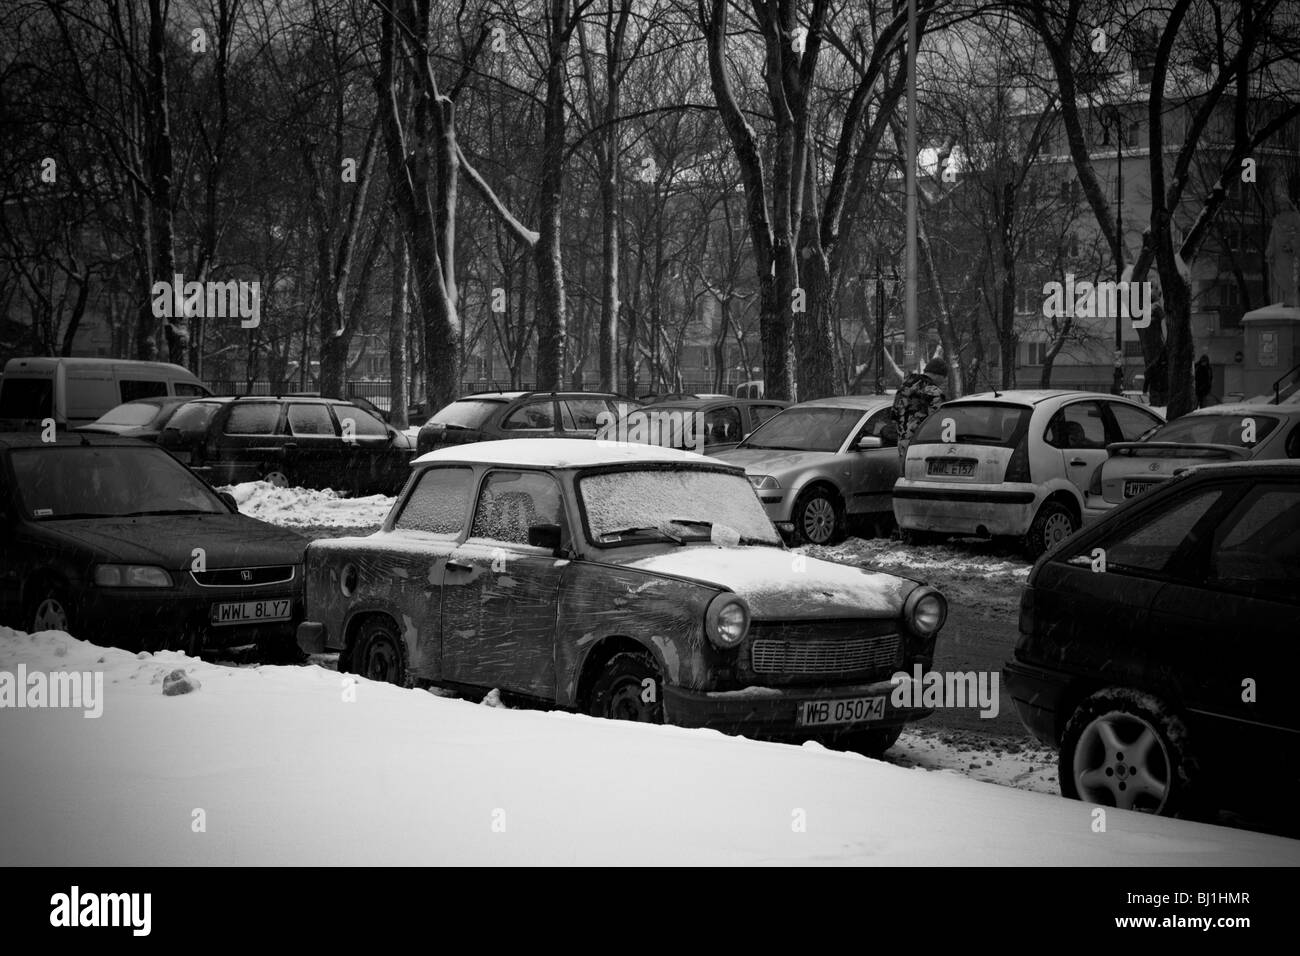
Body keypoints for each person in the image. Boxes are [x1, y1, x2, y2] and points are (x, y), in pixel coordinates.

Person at [892, 357, 948, 466]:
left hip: (902, 446)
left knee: (905, 478)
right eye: (944, 377)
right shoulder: (934, 392)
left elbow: (894, 417)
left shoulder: (903, 388)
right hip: (923, 446)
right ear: (938, 375)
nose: (944, 381)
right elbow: (938, 423)